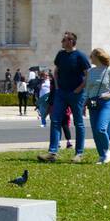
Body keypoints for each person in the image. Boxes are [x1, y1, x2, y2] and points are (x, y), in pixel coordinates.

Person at [38, 32, 89, 162]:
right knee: (55, 120)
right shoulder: (60, 54)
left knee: (78, 123)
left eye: (64, 40)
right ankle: (53, 152)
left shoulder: (80, 56)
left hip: (76, 94)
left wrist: (79, 89)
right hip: (61, 93)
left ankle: (79, 153)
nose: (62, 42)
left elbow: (88, 75)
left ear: (71, 41)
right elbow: (56, 71)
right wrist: (57, 86)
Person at [84, 49, 110, 164]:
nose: (90, 57)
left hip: (106, 102)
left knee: (101, 128)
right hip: (92, 102)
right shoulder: (90, 71)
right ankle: (102, 155)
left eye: (92, 55)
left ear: (98, 56)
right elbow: (87, 89)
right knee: (95, 131)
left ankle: (107, 151)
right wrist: (84, 102)